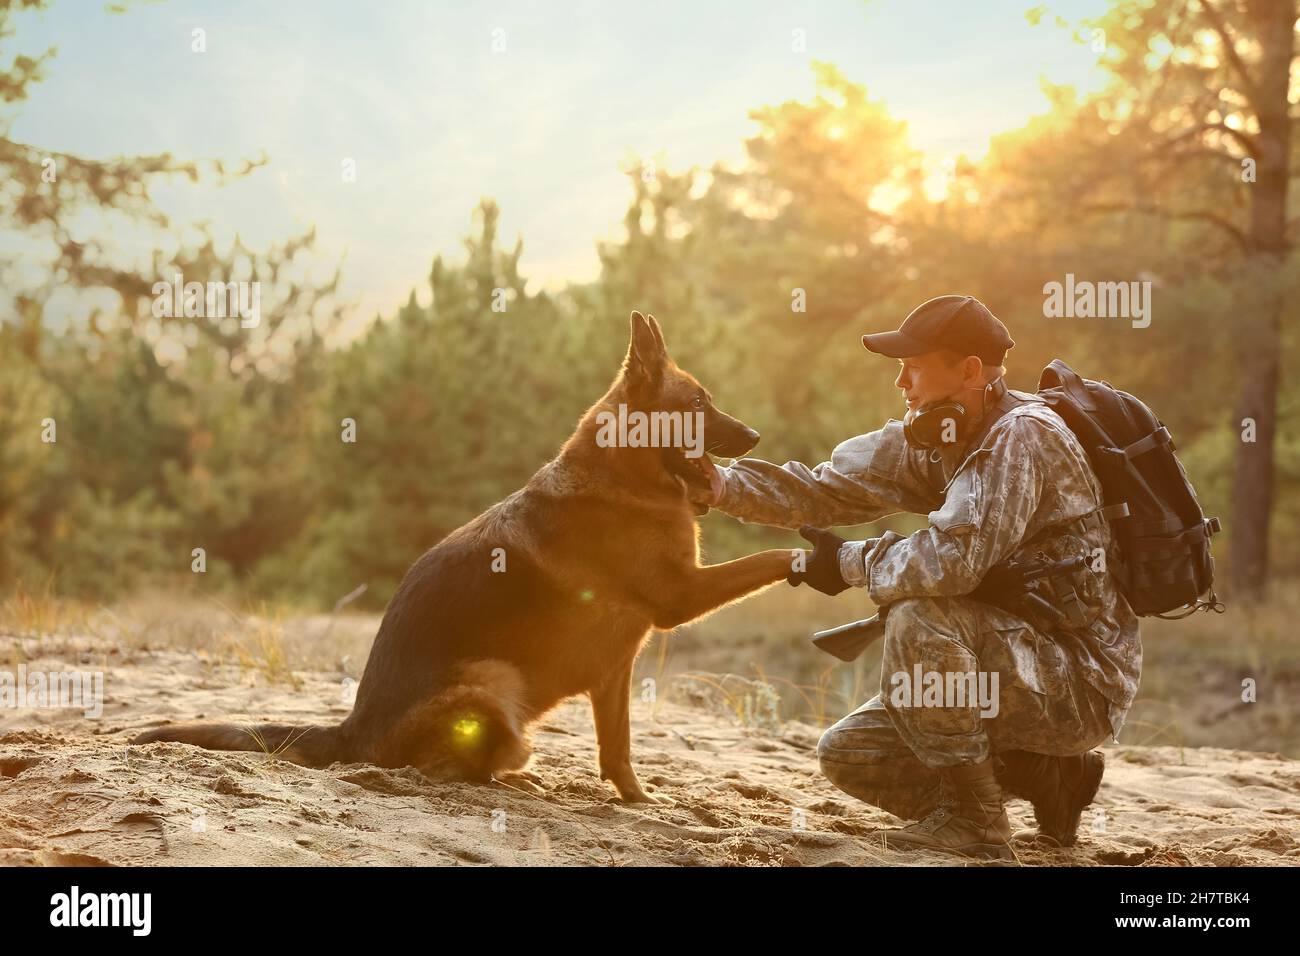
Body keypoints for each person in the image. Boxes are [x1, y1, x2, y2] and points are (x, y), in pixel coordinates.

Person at [692, 294, 1140, 859]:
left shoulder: (1023, 437)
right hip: (1007, 660)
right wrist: (722, 487)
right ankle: (1052, 777)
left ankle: (978, 824)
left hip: (1078, 675)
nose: (901, 382)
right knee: (851, 755)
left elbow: (950, 564)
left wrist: (850, 562)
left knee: (920, 615)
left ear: (970, 370)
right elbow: (824, 488)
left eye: (915, 366)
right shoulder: (940, 434)